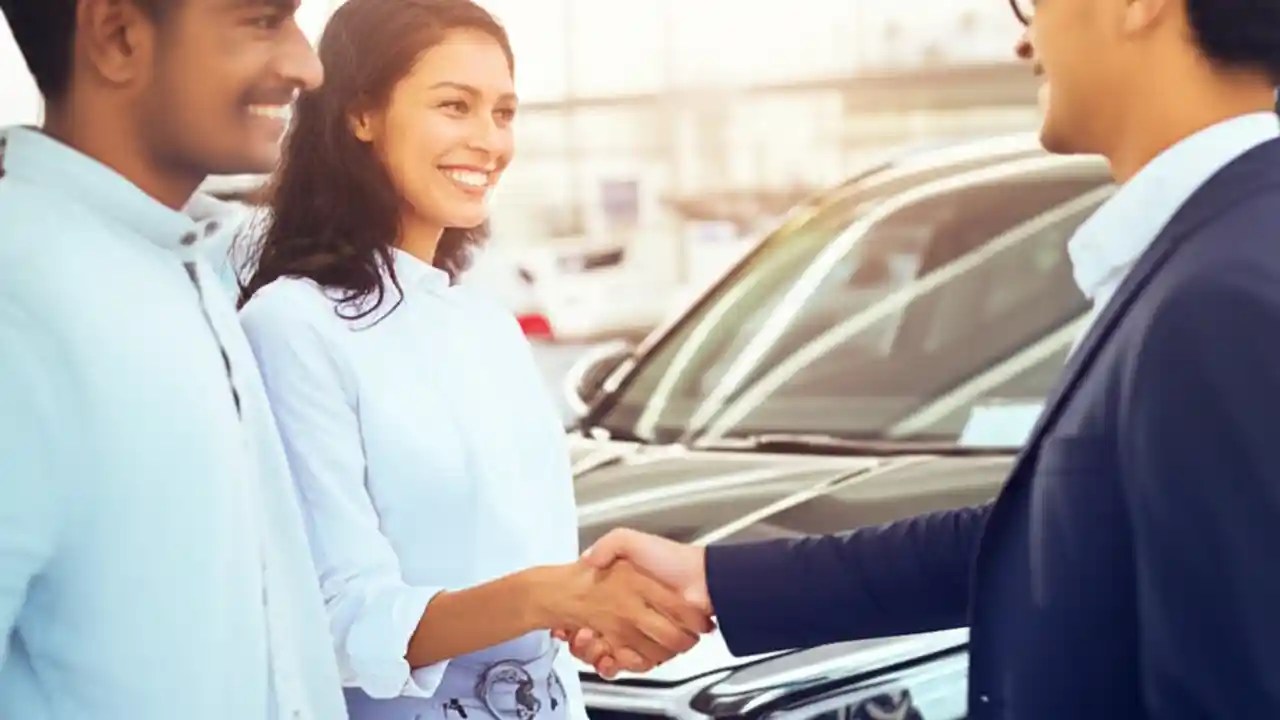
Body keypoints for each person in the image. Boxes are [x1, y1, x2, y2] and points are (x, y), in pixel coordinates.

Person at [567, 1, 1280, 717]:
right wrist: (710, 578)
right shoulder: (1211, 254)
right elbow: (1037, 540)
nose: (1023, 38)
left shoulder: (1223, 295)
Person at [235, 2, 713, 719]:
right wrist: (547, 595)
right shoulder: (292, 324)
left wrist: (589, 616)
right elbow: (336, 618)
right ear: (360, 113)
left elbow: (529, 562)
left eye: (504, 112)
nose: (488, 140)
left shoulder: (486, 324)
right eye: (455, 106)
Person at [0, 0, 349, 719]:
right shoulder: (21, 298)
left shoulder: (179, 265)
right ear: (118, 36)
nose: (305, 66)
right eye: (262, 21)